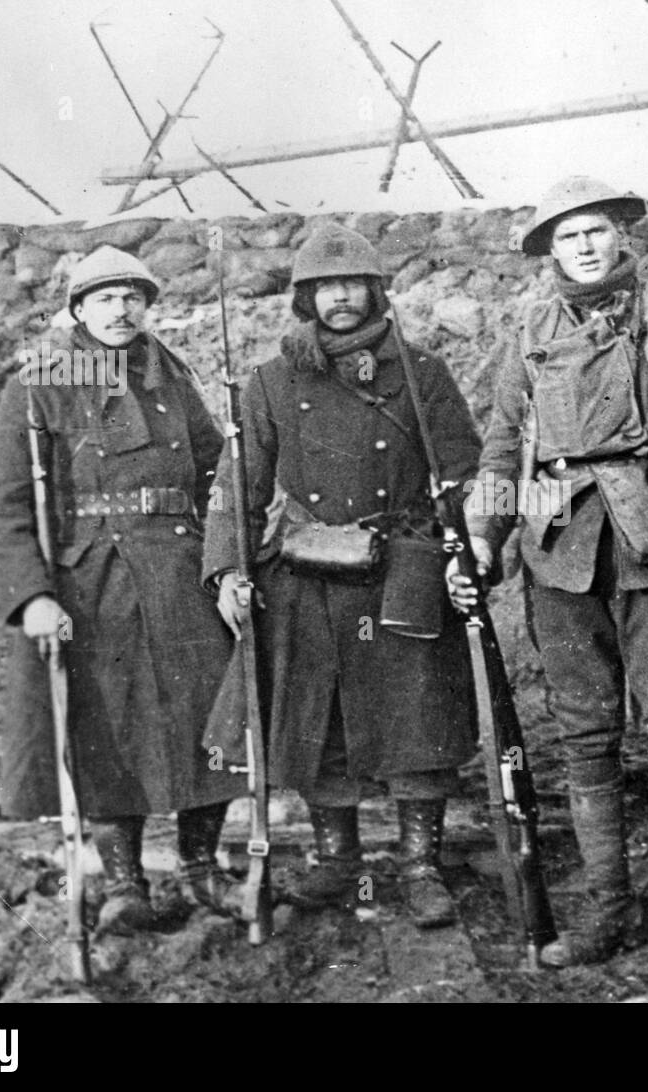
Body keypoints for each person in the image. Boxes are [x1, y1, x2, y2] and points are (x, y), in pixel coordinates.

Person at [450, 176, 648, 969]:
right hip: (558, 555)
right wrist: (485, 533)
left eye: (595, 231)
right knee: (584, 741)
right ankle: (608, 906)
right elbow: (504, 442)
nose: (583, 247)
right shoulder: (528, 329)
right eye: (566, 236)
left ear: (622, 237)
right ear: (549, 251)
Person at [203, 223, 480, 929]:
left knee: (418, 720)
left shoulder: (423, 375)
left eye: (353, 283)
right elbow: (239, 484)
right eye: (326, 287)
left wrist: (466, 553)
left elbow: (466, 473)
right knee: (321, 721)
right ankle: (338, 862)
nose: (342, 298)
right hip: (308, 571)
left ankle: (421, 865)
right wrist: (229, 571)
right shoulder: (271, 382)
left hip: (404, 564)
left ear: (376, 290)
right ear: (306, 298)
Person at [0, 245, 243, 934]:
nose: (121, 310)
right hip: (89, 583)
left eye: (133, 296)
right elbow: (3, 506)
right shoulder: (37, 385)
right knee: (105, 727)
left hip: (182, 574)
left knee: (204, 715)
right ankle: (125, 882)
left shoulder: (171, 376)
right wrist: (33, 596)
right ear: (77, 309)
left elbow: (219, 476)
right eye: (105, 297)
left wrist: (227, 561)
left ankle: (202, 867)